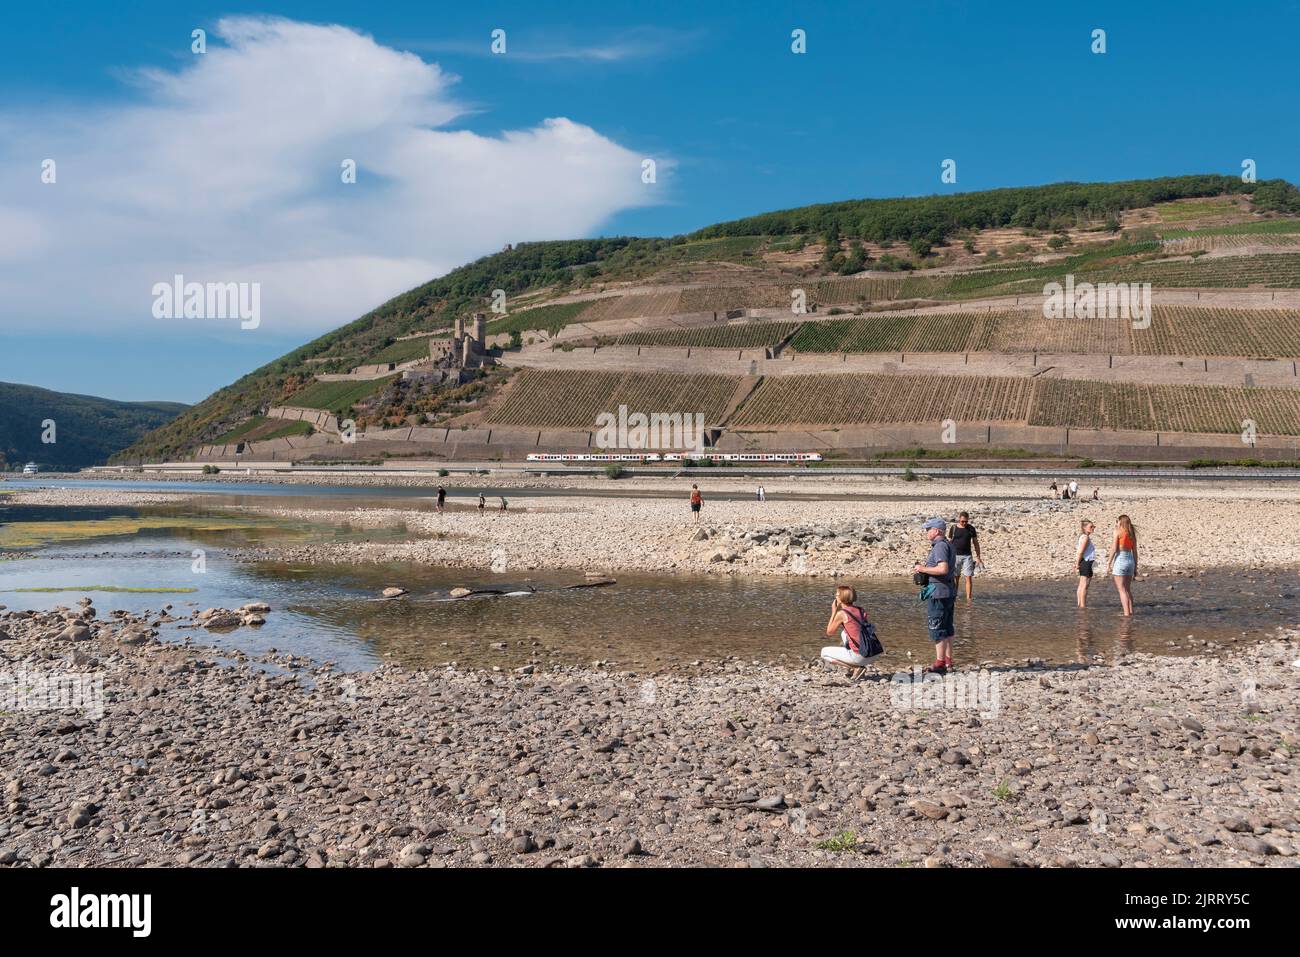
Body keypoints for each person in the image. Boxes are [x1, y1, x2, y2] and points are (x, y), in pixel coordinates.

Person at [915, 517, 956, 674]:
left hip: (938, 592)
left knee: (937, 627)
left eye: (928, 529)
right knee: (947, 627)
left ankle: (939, 664)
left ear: (937, 531)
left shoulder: (939, 546)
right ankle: (948, 662)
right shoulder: (948, 544)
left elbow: (942, 569)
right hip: (948, 590)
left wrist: (922, 569)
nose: (926, 532)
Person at [820, 584, 880, 679]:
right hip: (872, 653)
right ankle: (854, 664)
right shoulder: (861, 610)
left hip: (860, 657)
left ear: (841, 597)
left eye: (837, 594)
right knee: (844, 633)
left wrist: (834, 612)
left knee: (823, 652)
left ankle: (855, 667)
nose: (835, 596)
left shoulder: (842, 614)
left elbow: (829, 632)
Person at [946, 511, 983, 602]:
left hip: (967, 556)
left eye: (966, 521)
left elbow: (975, 543)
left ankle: (969, 598)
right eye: (962, 521)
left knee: (968, 577)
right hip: (955, 556)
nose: (964, 523)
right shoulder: (953, 528)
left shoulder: (971, 528)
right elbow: (949, 542)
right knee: (956, 577)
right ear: (959, 519)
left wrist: (978, 557)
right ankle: (954, 596)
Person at [1108, 514, 1138, 616]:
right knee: (1128, 589)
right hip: (1130, 561)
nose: (1116, 523)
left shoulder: (1117, 532)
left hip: (1120, 559)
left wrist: (1109, 563)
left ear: (1120, 522)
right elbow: (1135, 552)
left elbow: (1114, 549)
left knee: (1121, 590)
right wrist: (1135, 567)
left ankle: (1126, 614)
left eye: (1117, 521)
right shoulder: (1131, 533)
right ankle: (1131, 611)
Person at [1075, 519, 1096, 608]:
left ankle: (1080, 605)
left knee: (1081, 585)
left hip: (1084, 562)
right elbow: (1080, 552)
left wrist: (1077, 562)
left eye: (1093, 526)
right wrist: (1076, 563)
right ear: (1084, 527)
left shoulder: (1082, 536)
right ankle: (1083, 606)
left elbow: (1080, 552)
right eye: (1091, 527)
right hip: (1086, 562)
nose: (1093, 528)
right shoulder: (1086, 538)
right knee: (1084, 585)